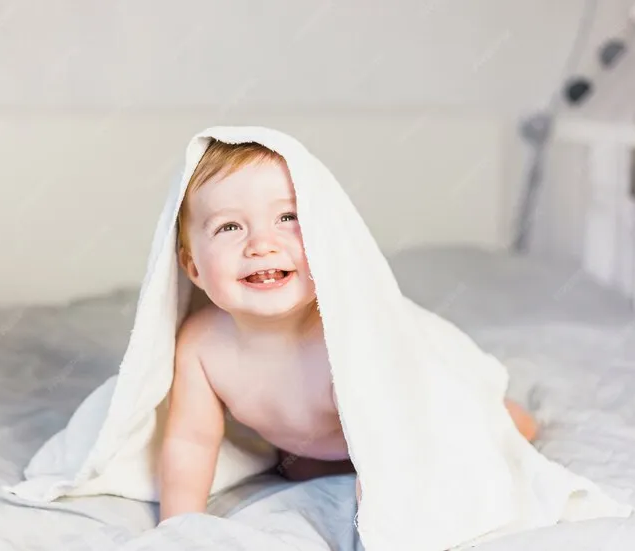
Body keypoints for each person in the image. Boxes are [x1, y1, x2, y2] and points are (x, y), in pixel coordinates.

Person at [156, 139, 538, 523]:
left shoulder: (346, 342)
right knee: (297, 469)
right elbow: (191, 441)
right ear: (193, 268)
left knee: (491, 427)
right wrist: (177, 526)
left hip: (397, 426)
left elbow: (386, 447)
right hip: (316, 447)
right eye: (229, 226)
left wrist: (385, 526)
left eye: (288, 218)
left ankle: (506, 410)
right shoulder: (201, 346)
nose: (261, 245)